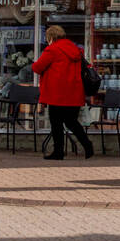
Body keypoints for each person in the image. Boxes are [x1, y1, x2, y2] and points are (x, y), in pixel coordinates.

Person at [31, 24, 94, 160]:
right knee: (72, 122)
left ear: (51, 37)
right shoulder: (76, 50)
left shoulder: (52, 50)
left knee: (56, 124)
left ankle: (58, 151)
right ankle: (87, 145)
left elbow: (37, 67)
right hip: (74, 92)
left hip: (57, 93)